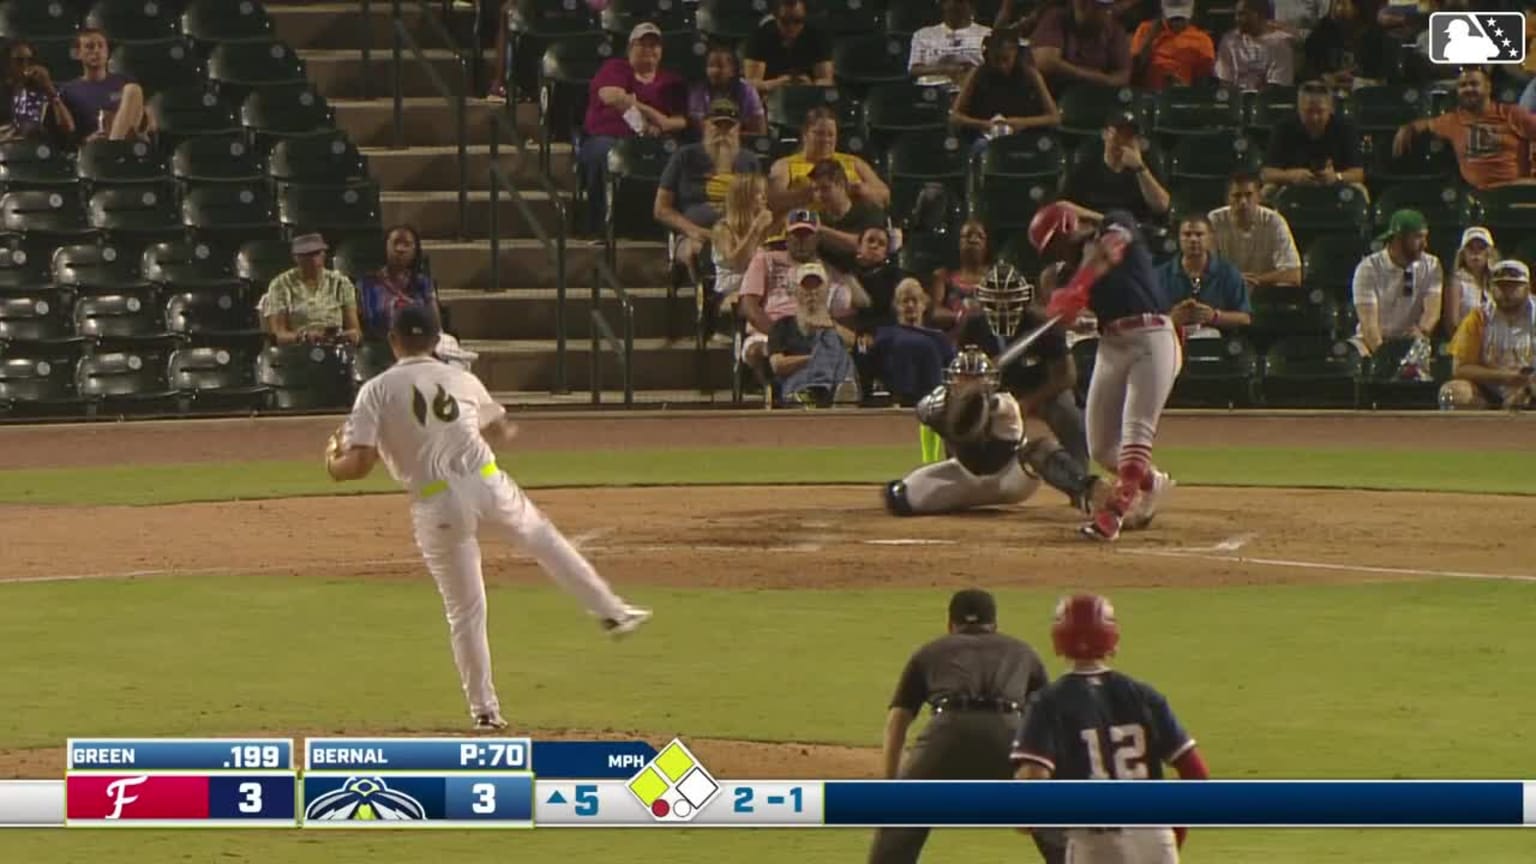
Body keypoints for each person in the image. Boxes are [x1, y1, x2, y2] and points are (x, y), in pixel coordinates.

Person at [324, 306, 651, 730]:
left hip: (437, 503)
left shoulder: (376, 390)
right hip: (489, 483)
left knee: (466, 610)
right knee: (546, 542)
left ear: (393, 341)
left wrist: (333, 464)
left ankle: (485, 711)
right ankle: (614, 612)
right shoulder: (463, 379)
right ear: (436, 341)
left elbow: (360, 463)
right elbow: (501, 431)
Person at [867, 588, 1061, 864]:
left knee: (899, 823)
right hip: (1008, 734)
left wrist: (890, 787)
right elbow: (1049, 720)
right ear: (994, 624)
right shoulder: (1023, 651)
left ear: (950, 625)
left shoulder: (930, 651)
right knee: (1056, 827)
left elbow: (897, 720)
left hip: (946, 735)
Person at [1013, 593, 1211, 862]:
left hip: (1095, 843)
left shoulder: (1048, 702)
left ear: (1058, 640)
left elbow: (1033, 782)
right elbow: (1196, 773)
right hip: (1154, 837)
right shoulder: (1143, 695)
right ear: (1112, 638)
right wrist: (1172, 833)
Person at [1029, 203, 1177, 541]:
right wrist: (1063, 309)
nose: (1056, 252)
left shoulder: (1114, 223)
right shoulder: (1065, 274)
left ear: (1068, 229)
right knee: (1101, 447)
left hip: (1151, 337)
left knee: (1137, 428)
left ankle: (1113, 515)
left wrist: (1077, 287)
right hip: (1112, 343)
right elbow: (1066, 310)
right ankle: (1151, 482)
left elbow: (1106, 253)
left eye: (1056, 243)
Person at [956, 263, 1102, 512]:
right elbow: (963, 372)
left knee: (1067, 413)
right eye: (996, 299)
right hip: (993, 394)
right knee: (959, 411)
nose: (1002, 306)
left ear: (1024, 299)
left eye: (1008, 299)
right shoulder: (973, 326)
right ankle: (960, 476)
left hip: (1040, 391)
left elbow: (1066, 376)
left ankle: (1080, 482)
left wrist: (1028, 403)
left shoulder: (1042, 324)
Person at [579, 23, 687, 233]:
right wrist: (653, 118)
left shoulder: (672, 80)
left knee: (681, 157)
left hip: (655, 141)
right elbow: (611, 96)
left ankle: (666, 226)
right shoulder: (615, 68)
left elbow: (681, 120)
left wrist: (639, 107)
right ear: (630, 48)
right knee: (603, 152)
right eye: (642, 44)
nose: (649, 50)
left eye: (654, 45)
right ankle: (600, 224)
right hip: (609, 136)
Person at [653, 99, 762, 270]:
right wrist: (693, 230)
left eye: (729, 126)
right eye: (717, 125)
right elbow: (661, 209)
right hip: (695, 234)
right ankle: (703, 287)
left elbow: (760, 204)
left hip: (740, 234)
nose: (723, 132)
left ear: (738, 129)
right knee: (696, 250)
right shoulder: (685, 157)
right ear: (705, 126)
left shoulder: (749, 161)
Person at [1393, 66, 1536, 191]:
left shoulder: (1511, 114)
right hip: (1478, 197)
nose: (1468, 89)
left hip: (1516, 189)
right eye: (1463, 85)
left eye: (1474, 84)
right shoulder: (1451, 121)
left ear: (1488, 87)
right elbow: (1423, 125)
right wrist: (1407, 128)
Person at [1442, 258, 1536, 410]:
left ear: (1527, 288)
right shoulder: (1478, 317)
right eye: (1501, 286)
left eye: (1513, 287)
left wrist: (1526, 387)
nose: (1507, 293)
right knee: (1453, 393)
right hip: (1488, 390)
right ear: (1491, 288)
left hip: (1530, 387)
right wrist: (1506, 377)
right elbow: (1460, 368)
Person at [950, 27, 1061, 152]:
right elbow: (955, 117)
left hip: (1023, 137)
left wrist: (1023, 122)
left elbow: (1054, 118)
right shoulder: (977, 74)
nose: (1001, 66)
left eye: (1006, 59)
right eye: (996, 60)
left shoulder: (1031, 75)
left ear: (1016, 54)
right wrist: (983, 124)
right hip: (986, 138)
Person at [767, 107, 892, 218]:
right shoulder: (785, 165)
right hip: (806, 224)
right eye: (819, 133)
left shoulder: (854, 162)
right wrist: (810, 193)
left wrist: (861, 190)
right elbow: (772, 200)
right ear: (805, 134)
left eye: (831, 135)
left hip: (850, 224)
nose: (826, 139)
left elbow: (885, 195)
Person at [1350, 208, 1442, 356]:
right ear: (1399, 240)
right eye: (1418, 237)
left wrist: (1421, 331)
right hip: (1371, 341)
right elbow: (1369, 326)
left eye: (1425, 237)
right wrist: (1384, 357)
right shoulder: (1368, 268)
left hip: (1410, 340)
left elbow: (1432, 311)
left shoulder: (1432, 265)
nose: (1424, 244)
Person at [768, 261, 858, 406]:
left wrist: (829, 325)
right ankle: (819, 388)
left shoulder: (837, 325)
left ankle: (828, 390)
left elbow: (856, 345)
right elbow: (777, 365)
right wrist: (816, 358)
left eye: (817, 286)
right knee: (834, 348)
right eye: (806, 286)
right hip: (796, 385)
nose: (812, 292)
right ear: (796, 291)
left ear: (826, 290)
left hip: (835, 381)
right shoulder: (782, 325)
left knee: (833, 341)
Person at [1060, 111, 1172, 224]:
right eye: (1118, 134)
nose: (1122, 141)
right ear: (1105, 134)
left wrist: (1139, 168)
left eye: (1129, 136)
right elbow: (1062, 205)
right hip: (1096, 226)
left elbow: (1162, 206)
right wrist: (1106, 220)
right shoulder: (1087, 166)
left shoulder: (1146, 167)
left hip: (1134, 229)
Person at [1260, 79, 1364, 196]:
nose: (1315, 117)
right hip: (1292, 186)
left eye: (1320, 112)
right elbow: (1266, 173)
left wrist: (1336, 177)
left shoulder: (1345, 127)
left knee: (1360, 190)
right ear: (1299, 109)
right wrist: (1291, 176)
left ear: (1331, 109)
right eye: (1309, 111)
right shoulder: (1283, 127)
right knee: (1267, 189)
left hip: (1335, 186)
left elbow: (1358, 173)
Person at [258, 233, 362, 346]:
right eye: (306, 255)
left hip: (335, 347)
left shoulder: (340, 283)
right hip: (297, 348)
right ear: (296, 258)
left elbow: (354, 329)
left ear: (324, 254)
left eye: (317, 253)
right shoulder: (280, 284)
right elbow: (278, 335)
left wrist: (351, 336)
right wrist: (303, 337)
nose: (313, 260)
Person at [864, 277, 956, 405]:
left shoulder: (939, 338)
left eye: (915, 300)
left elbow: (951, 370)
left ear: (924, 304)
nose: (910, 305)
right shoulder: (885, 335)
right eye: (905, 301)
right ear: (896, 306)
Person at [1206, 173, 1303, 289]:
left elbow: (1294, 275)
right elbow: (1200, 269)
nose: (1243, 202)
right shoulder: (1214, 221)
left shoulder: (1274, 221)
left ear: (1259, 197)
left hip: (1264, 292)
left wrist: (1254, 280)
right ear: (1227, 199)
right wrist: (1234, 280)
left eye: (1249, 195)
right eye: (1237, 196)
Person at [1161, 215, 1254, 335]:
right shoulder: (1161, 274)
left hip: (1218, 341)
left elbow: (1245, 318)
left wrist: (1214, 316)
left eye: (1199, 234)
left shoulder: (1229, 273)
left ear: (1211, 238)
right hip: (1172, 338)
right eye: (1187, 234)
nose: (1193, 239)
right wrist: (1171, 318)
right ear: (1179, 238)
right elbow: (1147, 318)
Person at [59, 28, 149, 142]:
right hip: (91, 147)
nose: (96, 51)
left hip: (125, 143)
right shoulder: (69, 91)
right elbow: (66, 135)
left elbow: (143, 119)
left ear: (107, 52)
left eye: (101, 46)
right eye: (90, 47)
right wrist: (87, 140)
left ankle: (112, 145)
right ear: (78, 53)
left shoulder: (125, 82)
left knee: (132, 89)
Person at [1030, 0, 1133, 95]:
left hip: (1095, 98)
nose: (1087, 6)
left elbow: (1122, 77)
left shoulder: (1115, 31)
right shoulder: (1056, 18)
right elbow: (1045, 62)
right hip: (1055, 96)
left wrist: (1064, 68)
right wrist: (1097, 77)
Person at [357, 225, 439, 341]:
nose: (400, 249)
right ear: (385, 246)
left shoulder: (423, 283)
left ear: (415, 250)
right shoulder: (367, 284)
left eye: (407, 244)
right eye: (395, 243)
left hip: (419, 343)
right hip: (380, 344)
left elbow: (435, 325)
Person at [809, 158, 887, 275]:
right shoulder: (817, 218)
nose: (819, 195)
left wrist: (822, 231)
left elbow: (866, 247)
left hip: (868, 278)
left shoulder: (870, 212)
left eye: (825, 188)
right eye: (815, 190)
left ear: (841, 185)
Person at [743, 0, 835, 93]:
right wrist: (777, 83)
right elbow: (751, 83)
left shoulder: (818, 37)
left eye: (797, 21)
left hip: (809, 95)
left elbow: (826, 80)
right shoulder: (760, 37)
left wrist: (810, 86)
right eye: (785, 22)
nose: (791, 27)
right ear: (775, 17)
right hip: (770, 95)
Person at [928, 219, 995, 338]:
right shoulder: (943, 276)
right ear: (959, 242)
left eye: (980, 236)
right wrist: (962, 317)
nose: (974, 240)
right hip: (953, 339)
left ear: (986, 244)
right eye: (968, 235)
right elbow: (934, 313)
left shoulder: (997, 277)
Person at [1129, 0, 1217, 90]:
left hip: (1182, 94)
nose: (1177, 23)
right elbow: (1133, 69)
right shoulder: (1145, 29)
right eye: (1173, 18)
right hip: (1148, 93)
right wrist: (1151, 37)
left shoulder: (1202, 40)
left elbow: (1205, 81)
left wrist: (1184, 87)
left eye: (1181, 18)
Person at [0, 40, 74, 144]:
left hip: (43, 148)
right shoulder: (3, 93)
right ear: (8, 65)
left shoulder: (48, 90)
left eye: (30, 61)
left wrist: (49, 89)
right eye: (19, 61)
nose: (25, 65)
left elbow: (68, 128)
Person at [686, 43, 767, 137]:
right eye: (710, 66)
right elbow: (697, 127)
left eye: (720, 66)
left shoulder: (747, 91)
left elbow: (759, 132)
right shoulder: (698, 90)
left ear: (733, 70)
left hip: (741, 142)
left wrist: (731, 136)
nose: (714, 71)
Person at [908, 0, 994, 87]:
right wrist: (948, 69)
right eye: (949, 2)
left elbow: (995, 68)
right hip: (933, 89)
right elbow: (914, 70)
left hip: (975, 87)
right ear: (942, 5)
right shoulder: (923, 34)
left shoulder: (987, 34)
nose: (955, 6)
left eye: (960, 2)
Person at [1216, 0, 1297, 90]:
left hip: (1266, 97)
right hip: (1234, 96)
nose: (1237, 19)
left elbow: (1277, 85)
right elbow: (1224, 80)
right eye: (1236, 14)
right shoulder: (1229, 41)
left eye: (1242, 14)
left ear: (1259, 15)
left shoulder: (1279, 44)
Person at [1445, 226, 1497, 338]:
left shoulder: (1496, 282)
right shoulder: (1457, 282)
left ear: (1489, 253)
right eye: (1470, 248)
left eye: (1481, 248)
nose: (1475, 253)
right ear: (1463, 253)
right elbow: (1453, 324)